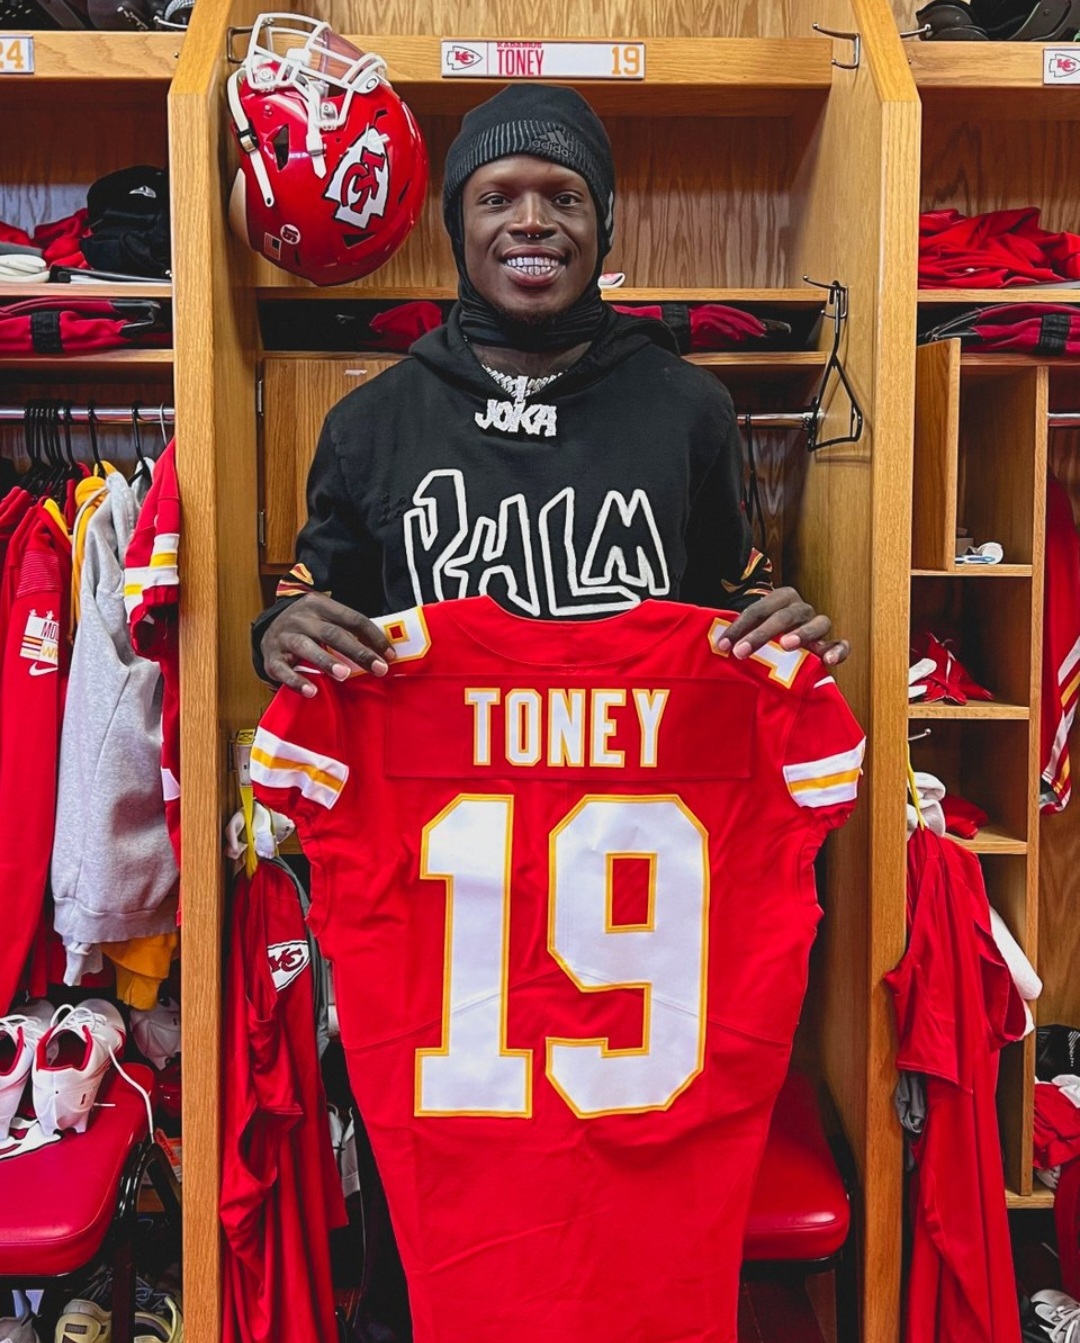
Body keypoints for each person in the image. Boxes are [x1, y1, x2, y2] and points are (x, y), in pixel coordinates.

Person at [252, 83, 850, 690]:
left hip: (632, 777)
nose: (532, 221)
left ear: (604, 222)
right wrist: (277, 631)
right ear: (459, 227)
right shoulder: (369, 424)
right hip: (433, 778)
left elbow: (729, 599)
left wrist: (778, 628)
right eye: (496, 198)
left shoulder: (689, 407)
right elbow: (317, 605)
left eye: (565, 197)